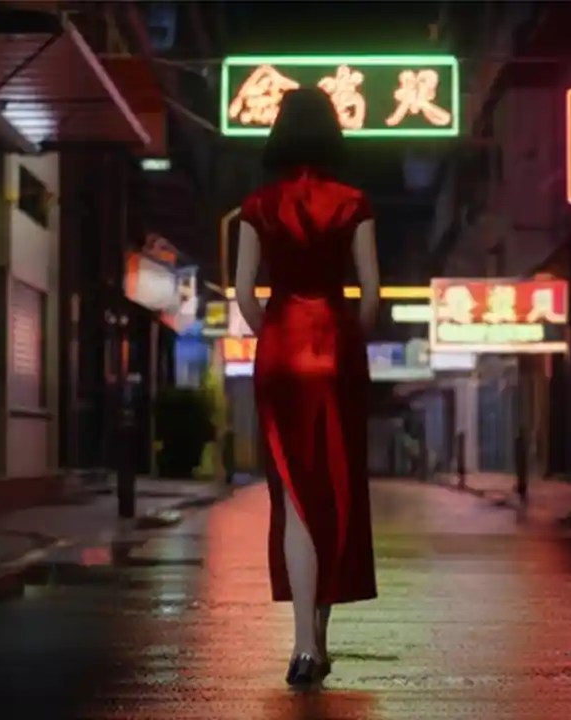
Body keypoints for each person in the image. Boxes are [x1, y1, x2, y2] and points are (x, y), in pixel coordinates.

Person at [233, 87, 379, 687]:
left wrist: (274, 333)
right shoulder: (354, 201)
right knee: (336, 490)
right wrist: (348, 338)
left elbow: (244, 290)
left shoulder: (257, 205)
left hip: (281, 348)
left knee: (292, 495)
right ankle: (319, 639)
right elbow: (370, 290)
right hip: (336, 345)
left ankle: (301, 646)